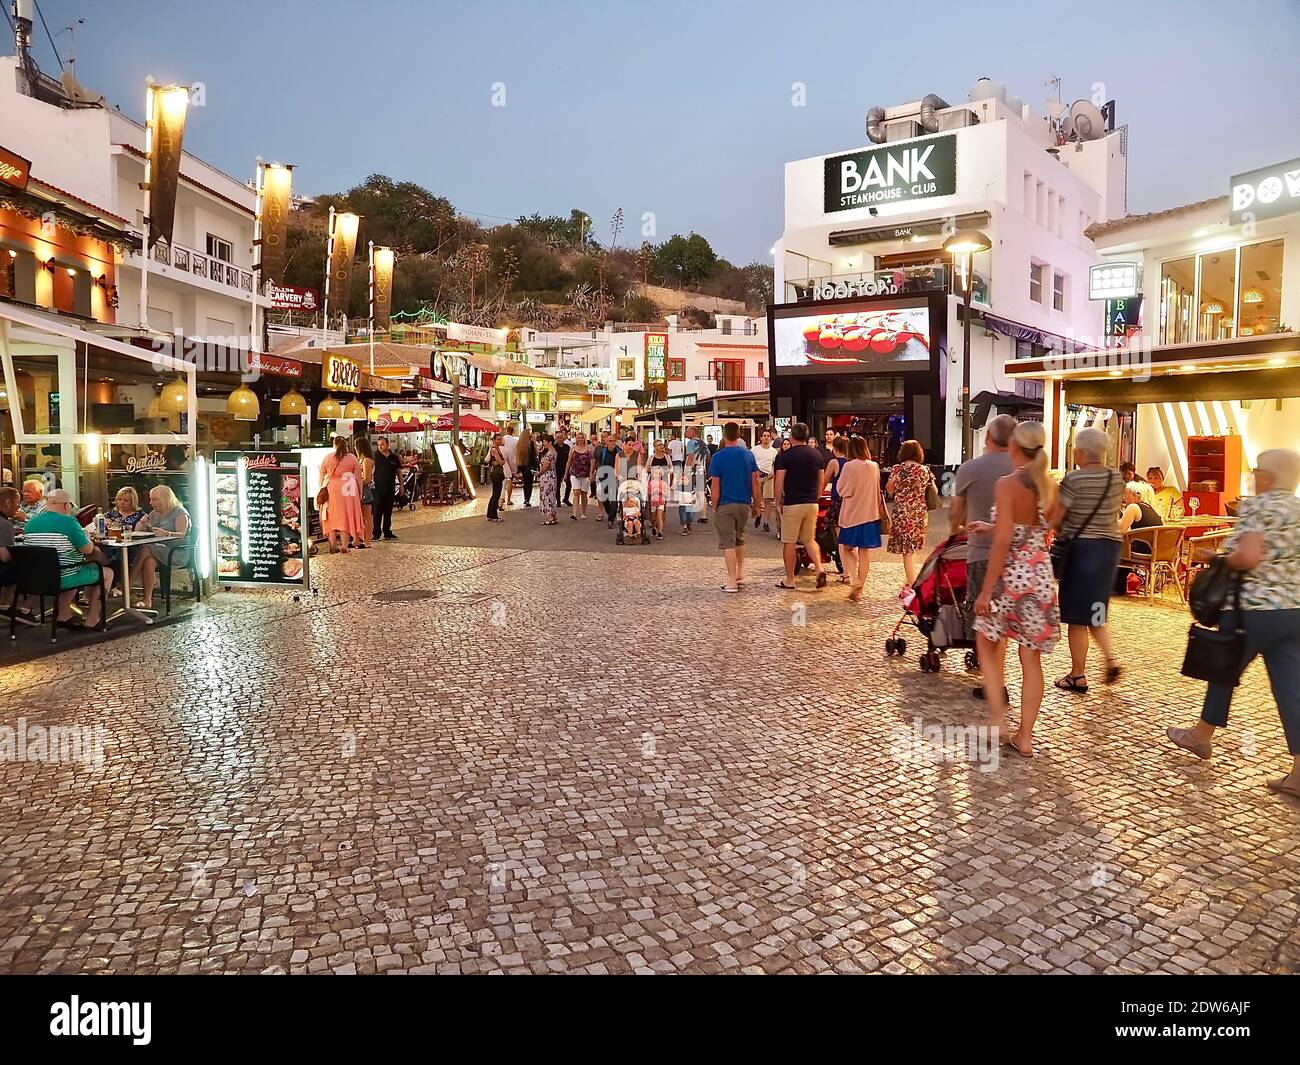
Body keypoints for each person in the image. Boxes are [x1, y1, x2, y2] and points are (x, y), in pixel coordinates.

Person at [1166, 448, 1300, 800]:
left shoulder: (1258, 506)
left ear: (1267, 476)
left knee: (1222, 667)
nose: (1254, 475)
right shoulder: (1298, 510)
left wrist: (1220, 558)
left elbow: (1249, 557)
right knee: (1290, 689)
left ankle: (1201, 735)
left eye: (1257, 470)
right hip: (1293, 611)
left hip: (1252, 608)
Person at [972, 421, 1061, 757]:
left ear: (1013, 448)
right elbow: (1038, 529)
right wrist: (992, 526)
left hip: (1011, 576)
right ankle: (1025, 737)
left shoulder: (1007, 484)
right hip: (1040, 576)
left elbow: (1007, 541)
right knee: (1031, 659)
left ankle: (997, 716)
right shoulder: (1052, 487)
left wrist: (986, 590)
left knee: (986, 640)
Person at [1049, 426, 1124, 693]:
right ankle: (1110, 658)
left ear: (1079, 452)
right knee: (1095, 610)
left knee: (1076, 617)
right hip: (1109, 550)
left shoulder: (1074, 480)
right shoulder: (1117, 479)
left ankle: (1078, 674)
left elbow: (1057, 518)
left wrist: (1060, 529)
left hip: (1082, 552)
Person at [952, 414, 1018, 699]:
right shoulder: (1023, 469)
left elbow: (956, 510)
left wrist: (954, 529)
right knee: (1000, 623)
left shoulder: (970, 468)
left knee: (983, 622)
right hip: (1017, 559)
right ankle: (998, 682)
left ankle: (993, 685)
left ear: (988, 437)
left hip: (980, 553)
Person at [23, 488, 104, 629]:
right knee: (106, 573)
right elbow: (88, 549)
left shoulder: (31, 523)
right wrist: (86, 536)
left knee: (72, 566)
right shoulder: (69, 522)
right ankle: (92, 619)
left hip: (37, 577)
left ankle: (64, 614)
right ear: (67, 505)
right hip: (63, 576)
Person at [773, 422, 828, 591]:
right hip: (811, 503)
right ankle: (819, 568)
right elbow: (821, 480)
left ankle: (790, 579)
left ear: (792, 436)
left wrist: (777, 502)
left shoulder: (785, 456)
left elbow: (779, 481)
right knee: (809, 539)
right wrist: (817, 496)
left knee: (789, 542)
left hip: (793, 503)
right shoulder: (817, 455)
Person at [708, 421, 760, 593]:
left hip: (725, 503)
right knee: (740, 538)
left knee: (727, 543)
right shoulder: (748, 455)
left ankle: (732, 581)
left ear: (724, 435)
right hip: (744, 503)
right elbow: (755, 482)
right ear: (739, 436)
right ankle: (740, 572)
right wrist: (757, 505)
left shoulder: (718, 457)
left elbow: (715, 486)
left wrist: (714, 506)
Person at [834, 436, 882, 602]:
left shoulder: (849, 466)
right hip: (870, 513)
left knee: (847, 548)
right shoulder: (874, 466)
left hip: (852, 514)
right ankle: (860, 584)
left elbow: (841, 489)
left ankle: (855, 579)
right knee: (864, 551)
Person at [131, 484, 191, 611]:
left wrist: (167, 533)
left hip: (177, 552)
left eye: (154, 499)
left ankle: (128, 584)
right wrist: (142, 523)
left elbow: (181, 535)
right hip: (159, 551)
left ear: (165, 499)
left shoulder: (180, 513)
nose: (151, 502)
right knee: (149, 561)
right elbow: (137, 531)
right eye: (151, 499)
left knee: (146, 548)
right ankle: (147, 600)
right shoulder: (153, 513)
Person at [886, 439, 936, 585]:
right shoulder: (924, 470)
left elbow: (890, 489)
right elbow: (934, 491)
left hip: (902, 513)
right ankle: (910, 580)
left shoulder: (897, 469)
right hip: (919, 513)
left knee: (906, 550)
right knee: (912, 548)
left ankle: (912, 583)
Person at [98, 486, 150, 595]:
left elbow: (138, 535)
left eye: (126, 500)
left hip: (131, 547)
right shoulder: (111, 514)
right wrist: (101, 523)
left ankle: (114, 587)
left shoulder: (141, 515)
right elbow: (99, 529)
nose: (122, 503)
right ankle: (103, 588)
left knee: (116, 554)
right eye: (119, 499)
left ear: (133, 501)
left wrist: (142, 525)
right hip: (110, 545)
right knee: (98, 552)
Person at [319, 437, 365, 554]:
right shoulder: (352, 458)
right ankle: (345, 546)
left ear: (334, 444)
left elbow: (321, 472)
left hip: (331, 489)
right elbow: (358, 477)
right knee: (345, 517)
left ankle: (333, 546)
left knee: (331, 518)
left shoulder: (328, 457)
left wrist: (321, 486)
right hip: (348, 490)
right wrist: (360, 492)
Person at [372, 436, 401, 541]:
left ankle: (387, 531)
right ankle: (376, 533)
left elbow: (398, 471)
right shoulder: (375, 456)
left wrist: (401, 486)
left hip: (390, 488)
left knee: (388, 511)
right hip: (378, 489)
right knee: (377, 512)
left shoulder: (394, 457)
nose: (380, 447)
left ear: (388, 445)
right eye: (378, 445)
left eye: (382, 444)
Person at [751, 429, 779, 532]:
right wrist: (754, 472)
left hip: (769, 477)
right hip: (758, 476)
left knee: (768, 500)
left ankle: (766, 522)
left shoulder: (773, 451)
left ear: (771, 438)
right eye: (764, 435)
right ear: (761, 438)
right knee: (757, 499)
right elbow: (751, 462)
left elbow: (775, 464)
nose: (766, 437)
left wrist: (773, 472)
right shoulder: (755, 449)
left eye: (768, 436)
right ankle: (758, 514)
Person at [594, 431, 621, 528]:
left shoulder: (619, 451)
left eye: (613, 441)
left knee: (614, 499)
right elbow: (600, 463)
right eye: (610, 441)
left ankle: (610, 520)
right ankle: (611, 513)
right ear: (606, 442)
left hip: (615, 477)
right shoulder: (603, 452)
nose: (612, 443)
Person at [353, 436, 376, 548]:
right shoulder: (361, 460)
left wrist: (356, 482)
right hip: (360, 489)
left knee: (367, 517)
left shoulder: (366, 460)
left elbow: (367, 479)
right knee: (360, 516)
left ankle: (367, 541)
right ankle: (357, 539)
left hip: (365, 490)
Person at [647, 440, 671, 539]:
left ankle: (660, 530)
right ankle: (653, 525)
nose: (662, 446)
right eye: (659, 445)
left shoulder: (667, 457)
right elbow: (646, 468)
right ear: (655, 447)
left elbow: (671, 468)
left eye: (662, 444)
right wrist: (651, 471)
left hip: (663, 485)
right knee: (653, 513)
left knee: (662, 510)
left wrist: (665, 472)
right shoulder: (652, 458)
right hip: (653, 487)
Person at [566, 432, 594, 520]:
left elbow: (592, 462)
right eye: (579, 437)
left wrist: (591, 473)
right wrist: (566, 473)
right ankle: (574, 513)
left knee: (584, 493)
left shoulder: (589, 448)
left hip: (585, 474)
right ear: (576, 438)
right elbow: (569, 461)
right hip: (575, 473)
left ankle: (583, 512)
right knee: (576, 492)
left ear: (584, 438)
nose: (580, 439)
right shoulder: (573, 448)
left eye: (582, 437)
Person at [537, 434, 559, 525]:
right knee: (551, 495)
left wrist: (539, 473)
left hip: (547, 476)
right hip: (552, 475)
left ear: (550, 442)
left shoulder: (550, 453)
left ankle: (550, 516)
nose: (543, 443)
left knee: (547, 496)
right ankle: (553, 516)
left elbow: (545, 466)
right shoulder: (553, 451)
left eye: (545, 442)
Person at [486, 433, 507, 522]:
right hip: (496, 473)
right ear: (494, 440)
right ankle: (493, 515)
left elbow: (501, 461)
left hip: (498, 472)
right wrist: (501, 461)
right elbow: (501, 461)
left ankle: (491, 514)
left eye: (500, 439)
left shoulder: (498, 449)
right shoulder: (494, 449)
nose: (500, 441)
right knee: (496, 494)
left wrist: (501, 461)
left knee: (496, 494)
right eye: (498, 439)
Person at [517, 430, 539, 507]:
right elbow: (537, 453)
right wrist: (534, 442)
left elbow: (518, 456)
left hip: (523, 466)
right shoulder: (531, 444)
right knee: (529, 483)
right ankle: (527, 499)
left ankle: (526, 498)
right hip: (531, 465)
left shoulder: (520, 444)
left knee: (526, 483)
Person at [501, 423, 520, 508]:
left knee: (503, 481)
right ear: (513, 432)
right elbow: (516, 452)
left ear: (506, 431)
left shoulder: (502, 439)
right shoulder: (515, 441)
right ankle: (508, 499)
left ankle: (501, 498)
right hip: (511, 462)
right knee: (510, 481)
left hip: (503, 461)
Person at [554, 429, 572, 508]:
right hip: (557, 468)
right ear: (556, 438)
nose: (560, 439)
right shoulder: (554, 447)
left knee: (569, 484)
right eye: (558, 437)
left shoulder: (567, 447)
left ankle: (566, 498)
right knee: (557, 485)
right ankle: (558, 500)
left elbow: (569, 458)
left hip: (566, 468)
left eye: (561, 437)